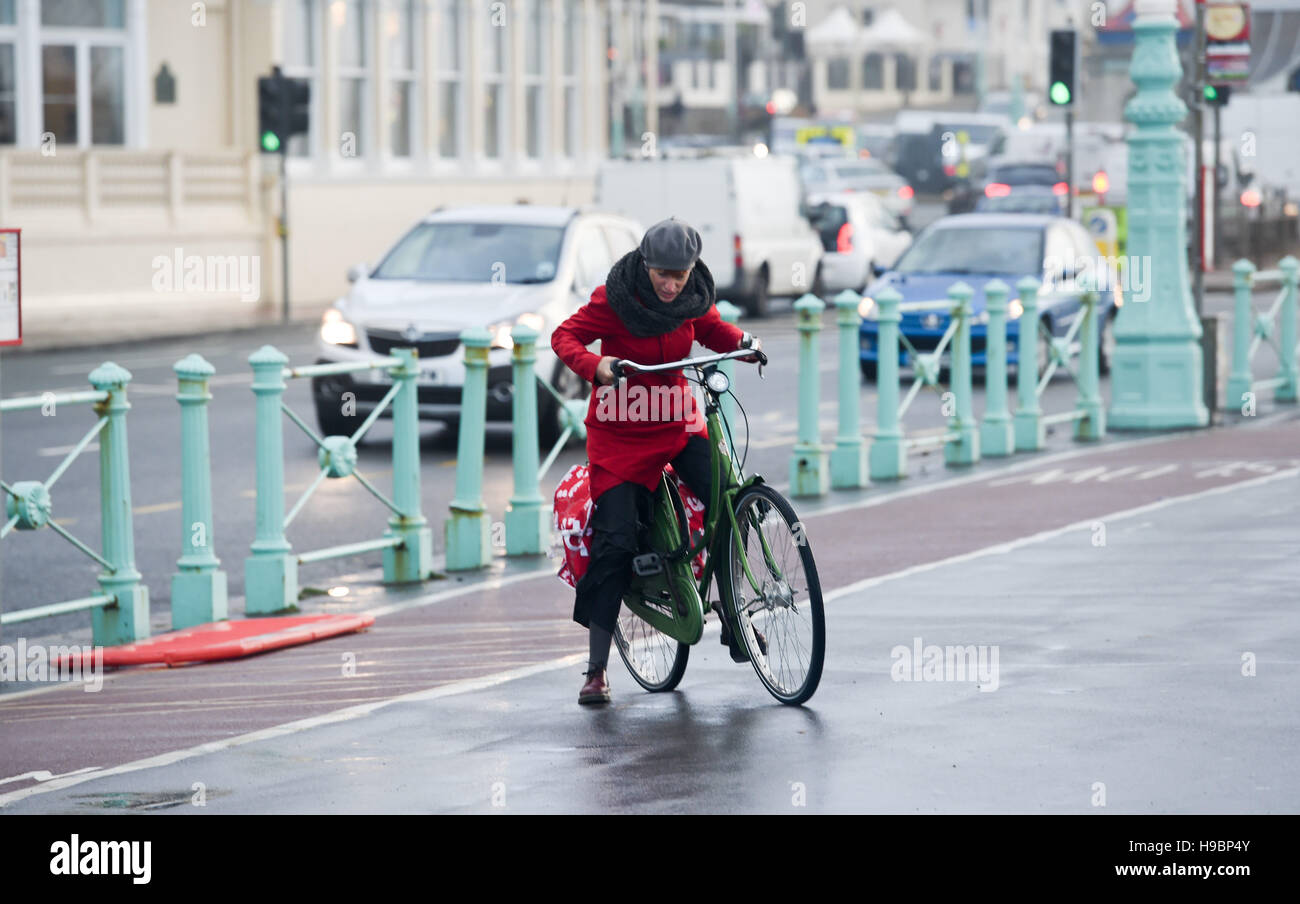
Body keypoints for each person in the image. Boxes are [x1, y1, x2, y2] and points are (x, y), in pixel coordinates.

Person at [551, 218, 763, 705]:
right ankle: (597, 669)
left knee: (733, 497)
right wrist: (596, 366)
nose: (670, 285)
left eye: (680, 276)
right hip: (620, 434)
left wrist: (743, 345)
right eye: (661, 275)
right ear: (645, 266)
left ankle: (733, 612)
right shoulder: (616, 300)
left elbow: (711, 328)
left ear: (692, 271)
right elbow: (565, 337)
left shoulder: (691, 299)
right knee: (615, 539)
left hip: (675, 426)